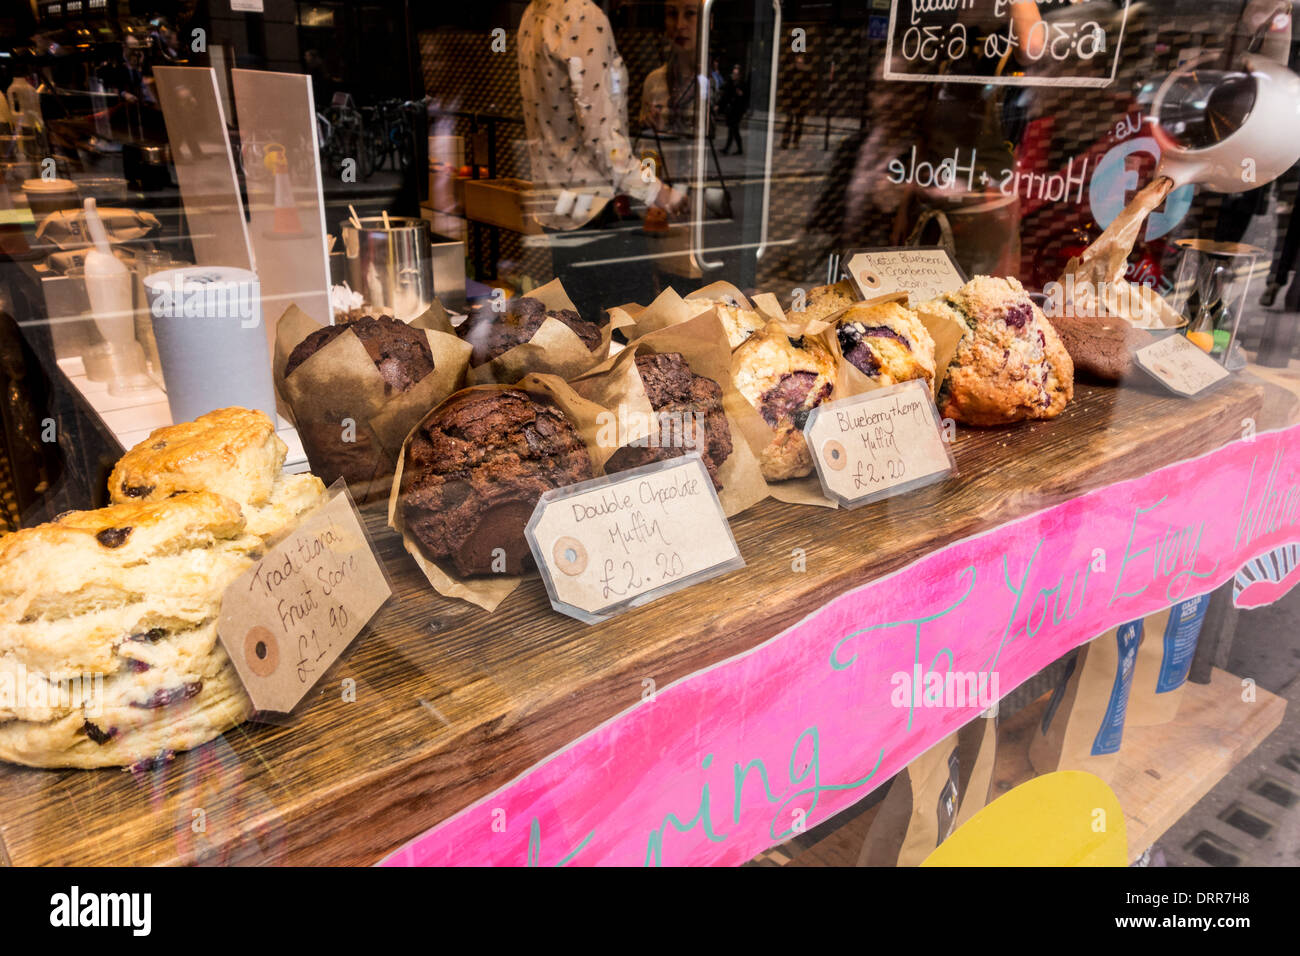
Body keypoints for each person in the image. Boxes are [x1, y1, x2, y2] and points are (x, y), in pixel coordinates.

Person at [516, 0, 687, 316]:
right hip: (594, 212)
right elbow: (601, 139)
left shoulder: (534, 12)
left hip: (558, 207)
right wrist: (661, 194)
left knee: (580, 338)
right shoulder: (582, 14)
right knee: (630, 340)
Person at [719, 64, 748, 156]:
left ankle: (728, 149)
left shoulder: (742, 84)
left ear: (739, 75)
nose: (734, 76)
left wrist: (741, 95)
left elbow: (745, 98)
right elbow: (725, 95)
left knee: (733, 129)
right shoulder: (730, 83)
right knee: (734, 130)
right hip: (731, 110)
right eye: (733, 74)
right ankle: (737, 149)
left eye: (736, 74)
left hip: (738, 111)